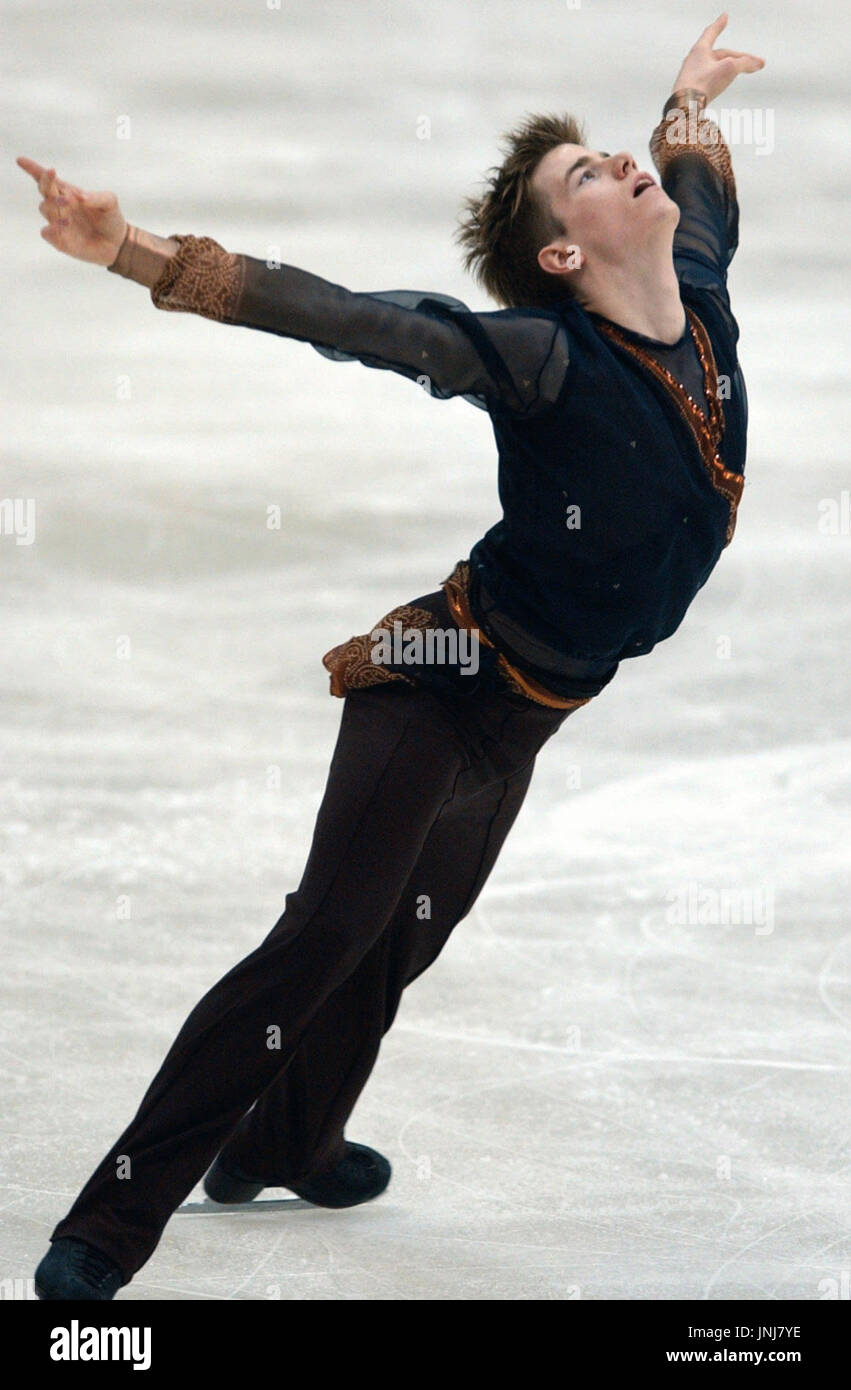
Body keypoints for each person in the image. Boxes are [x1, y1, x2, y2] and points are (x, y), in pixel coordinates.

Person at [18, 13, 764, 1299]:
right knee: (329, 930)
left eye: (612, 157)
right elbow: (358, 321)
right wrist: (131, 250)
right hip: (441, 672)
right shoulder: (540, 355)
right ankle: (106, 1226)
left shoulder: (698, 290)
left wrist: (686, 94)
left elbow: (692, 173)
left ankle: (283, 1142)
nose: (622, 169)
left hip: (532, 711)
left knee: (406, 934)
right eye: (584, 174)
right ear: (557, 249)